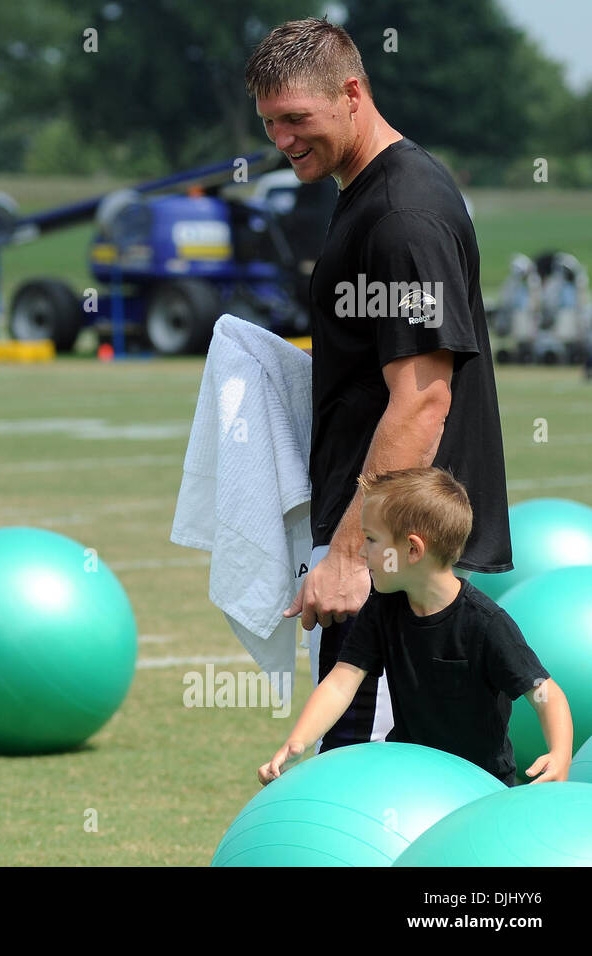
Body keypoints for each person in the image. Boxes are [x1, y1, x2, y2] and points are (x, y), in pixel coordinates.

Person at [245, 18, 513, 750]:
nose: (283, 139)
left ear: (352, 94)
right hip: (389, 547)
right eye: (269, 124)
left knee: (377, 787)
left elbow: (424, 396)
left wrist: (352, 556)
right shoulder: (370, 191)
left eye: (297, 118)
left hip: (396, 559)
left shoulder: (401, 214)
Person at [259, 468, 572, 787]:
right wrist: (298, 741)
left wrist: (559, 753)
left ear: (412, 550)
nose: (362, 551)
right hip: (411, 781)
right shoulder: (381, 609)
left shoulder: (485, 623)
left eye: (371, 539)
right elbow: (342, 682)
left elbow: (544, 691)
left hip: (480, 786)